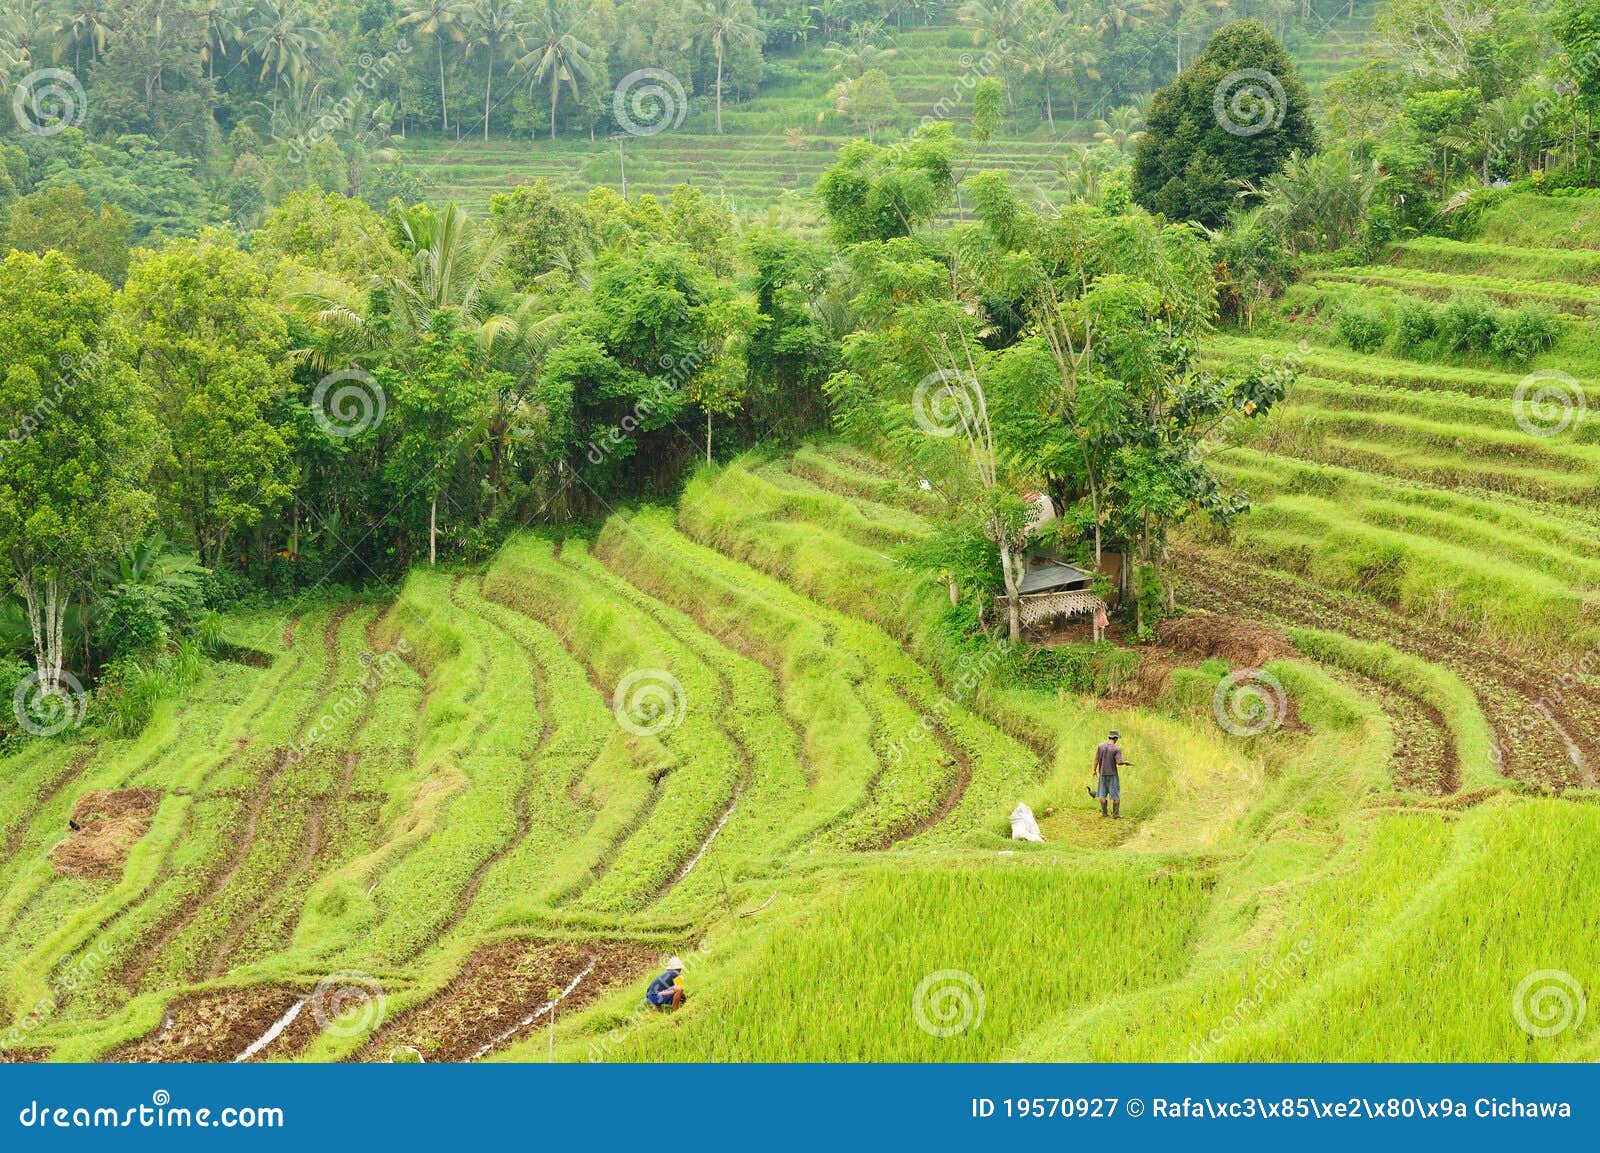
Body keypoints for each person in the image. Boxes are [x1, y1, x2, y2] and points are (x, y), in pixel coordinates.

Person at [1091, 730, 1130, 819]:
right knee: (1115, 795)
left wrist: (1094, 770)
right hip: (1113, 775)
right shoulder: (1116, 749)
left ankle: (1104, 813)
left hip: (1102, 774)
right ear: (1116, 738)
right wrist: (1125, 762)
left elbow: (1096, 758)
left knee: (1102, 794)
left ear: (1109, 737)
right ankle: (1115, 814)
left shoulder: (1100, 746)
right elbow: (1118, 762)